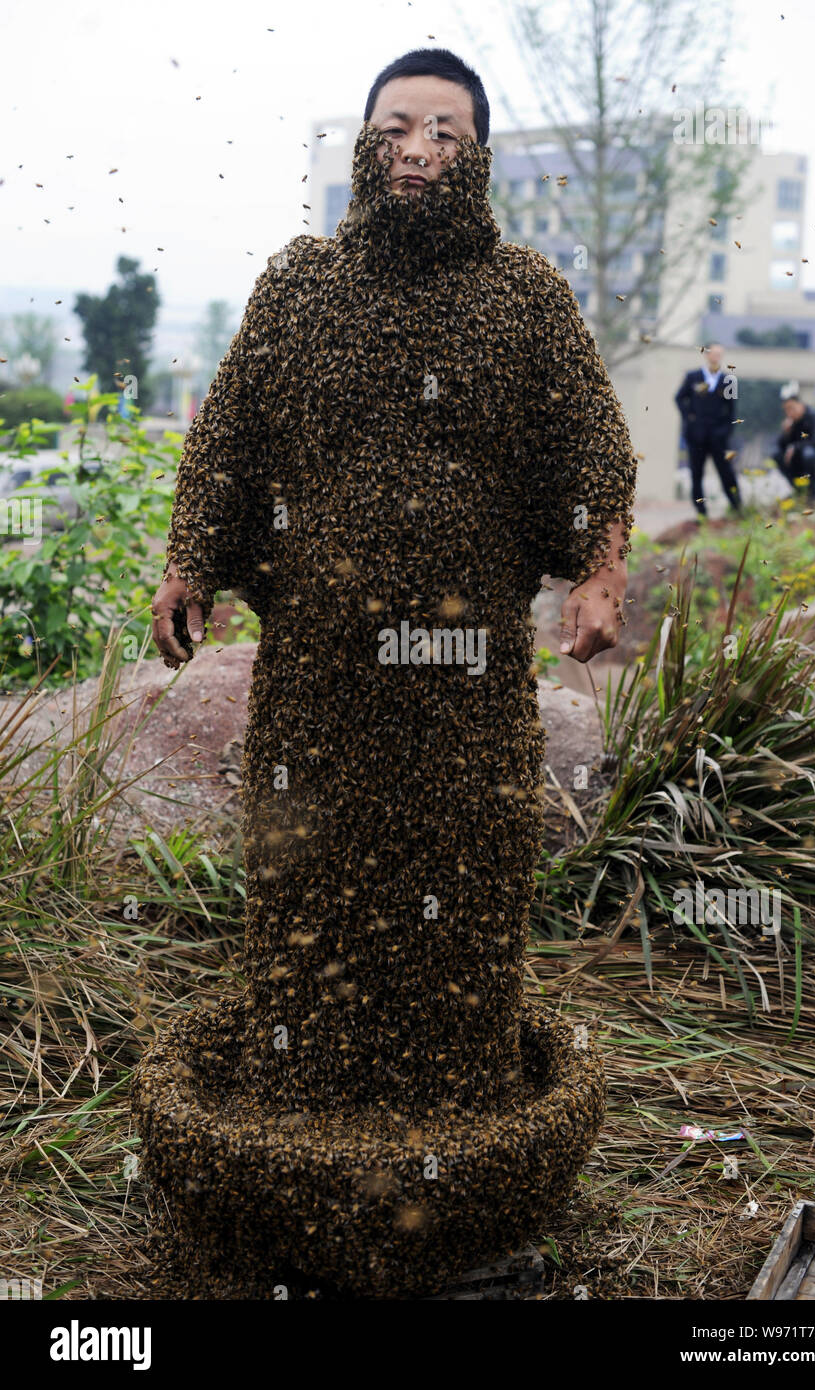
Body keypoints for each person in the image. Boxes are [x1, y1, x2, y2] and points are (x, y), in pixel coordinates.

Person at [138, 47, 637, 1296]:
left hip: (469, 685)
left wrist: (599, 568)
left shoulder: (525, 297)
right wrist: (189, 563)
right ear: (363, 146)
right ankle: (302, 1101)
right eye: (397, 126)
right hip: (316, 671)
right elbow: (231, 433)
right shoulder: (300, 287)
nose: (418, 148)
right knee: (309, 881)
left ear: (478, 161)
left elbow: (592, 445)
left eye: (448, 134)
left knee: (460, 879)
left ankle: (456, 1103)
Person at [674, 342, 741, 517]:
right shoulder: (693, 376)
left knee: (726, 472)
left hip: (718, 436)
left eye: (720, 354)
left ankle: (737, 506)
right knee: (696, 473)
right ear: (706, 354)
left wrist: (726, 430)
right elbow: (679, 398)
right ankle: (701, 511)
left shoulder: (728, 380)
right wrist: (689, 417)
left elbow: (732, 409)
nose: (716, 357)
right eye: (713, 353)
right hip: (696, 435)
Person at [772, 395, 815, 501]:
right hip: (798, 460)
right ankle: (800, 491)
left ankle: (813, 493)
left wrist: (796, 447)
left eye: (791, 408)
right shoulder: (792, 422)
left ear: (801, 405)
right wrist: (786, 432)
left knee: (808, 453)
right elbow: (782, 446)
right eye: (786, 410)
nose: (789, 412)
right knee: (778, 456)